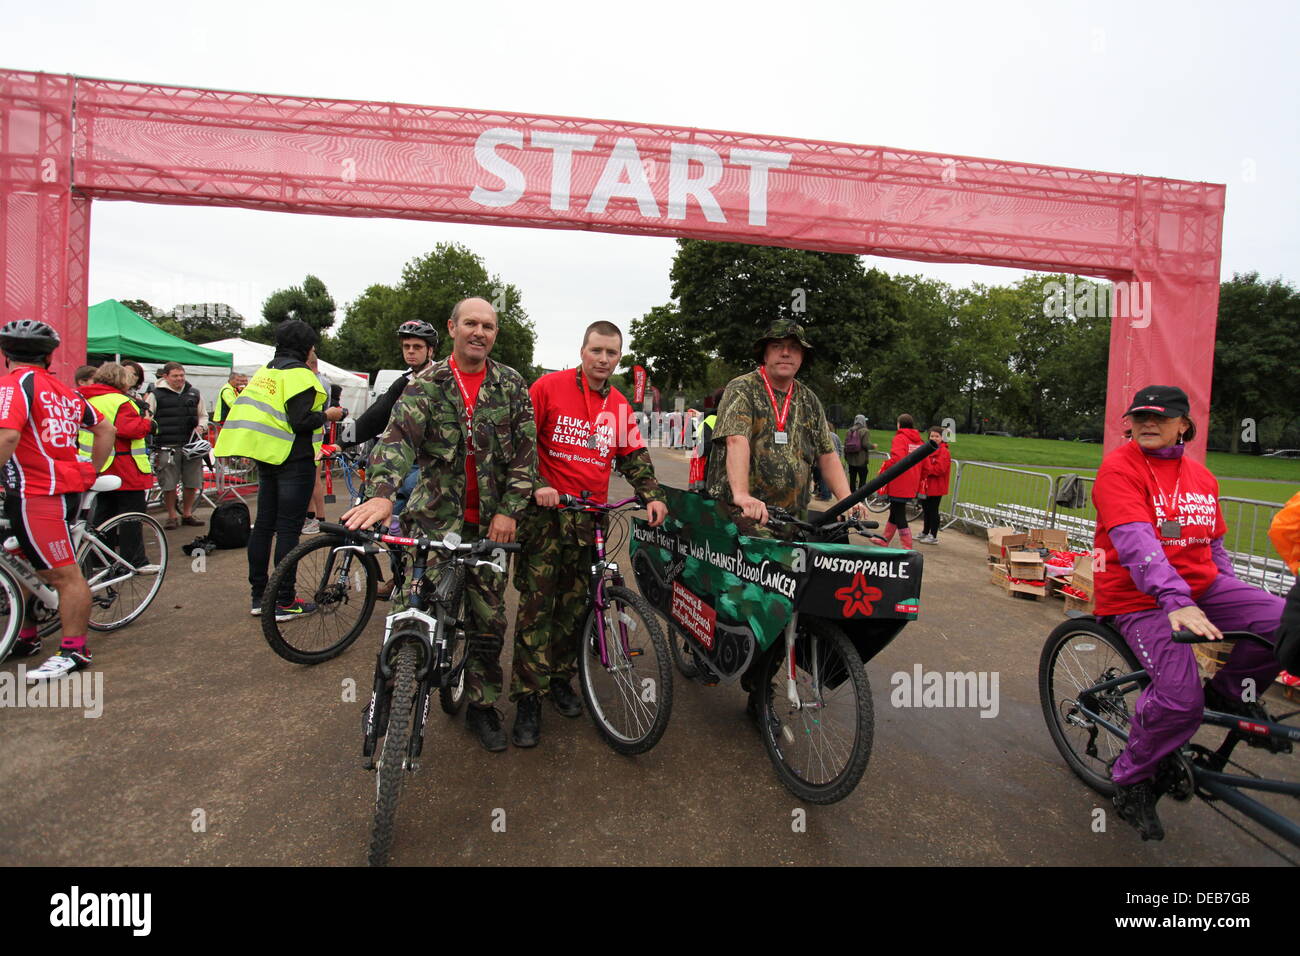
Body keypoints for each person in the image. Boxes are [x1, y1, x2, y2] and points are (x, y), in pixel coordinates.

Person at [1093, 385, 1289, 841]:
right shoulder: (1118, 469)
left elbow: (1214, 545)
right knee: (1181, 701)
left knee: (1284, 622)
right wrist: (1177, 601)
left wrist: (1227, 592)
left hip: (1200, 589)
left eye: (1159, 418)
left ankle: (1229, 694)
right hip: (1139, 597)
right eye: (1139, 416)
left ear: (1184, 424)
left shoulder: (1202, 477)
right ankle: (1130, 777)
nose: (1146, 423)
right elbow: (1137, 541)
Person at [342, 298, 538, 753]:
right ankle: (388, 696)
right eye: (471, 323)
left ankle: (481, 706)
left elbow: (527, 458)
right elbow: (396, 440)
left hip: (491, 529)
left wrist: (509, 510)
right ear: (452, 328)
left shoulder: (510, 385)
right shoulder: (427, 383)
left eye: (488, 326)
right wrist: (381, 493)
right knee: (409, 615)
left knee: (489, 622)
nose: (479, 332)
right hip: (433, 522)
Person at [510, 320, 668, 747]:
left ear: (619, 358)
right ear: (582, 350)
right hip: (545, 517)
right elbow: (520, 443)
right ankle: (528, 697)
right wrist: (538, 482)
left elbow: (632, 453)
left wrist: (651, 493)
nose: (603, 359)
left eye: (611, 353)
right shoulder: (548, 387)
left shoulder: (618, 403)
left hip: (589, 519)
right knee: (537, 607)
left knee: (575, 606)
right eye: (596, 350)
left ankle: (561, 679)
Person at [0, 319, 115, 677]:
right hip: (61, 490)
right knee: (26, 560)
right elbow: (105, 428)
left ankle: (75, 650)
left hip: (36, 493)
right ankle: (26, 632)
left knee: (64, 575)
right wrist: (92, 469)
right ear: (50, 356)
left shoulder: (13, 385)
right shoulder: (65, 391)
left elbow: (7, 438)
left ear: (5, 354)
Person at [213, 320, 346, 620]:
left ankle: (260, 597)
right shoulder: (299, 375)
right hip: (293, 458)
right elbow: (300, 420)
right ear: (306, 347)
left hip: (268, 457)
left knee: (263, 526)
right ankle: (284, 599)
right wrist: (329, 414)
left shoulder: (266, 372)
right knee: (288, 529)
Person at [705, 319, 868, 535]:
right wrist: (742, 496)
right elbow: (736, 439)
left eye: (794, 348)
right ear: (765, 355)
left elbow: (827, 455)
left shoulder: (809, 400)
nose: (785, 353)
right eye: (776, 347)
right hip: (740, 513)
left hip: (791, 517)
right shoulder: (742, 388)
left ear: (802, 357)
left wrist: (847, 500)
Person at [350, 319, 439, 535]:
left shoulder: (441, 379)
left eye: (417, 347)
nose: (410, 352)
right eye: (406, 347)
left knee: (408, 495)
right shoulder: (403, 382)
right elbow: (375, 415)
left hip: (430, 465)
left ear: (430, 351)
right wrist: (340, 441)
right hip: (403, 459)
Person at [80, 363, 158, 570]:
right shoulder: (121, 401)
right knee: (131, 517)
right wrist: (148, 423)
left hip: (95, 463)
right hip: (124, 465)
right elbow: (128, 429)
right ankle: (134, 561)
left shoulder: (86, 398)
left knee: (104, 515)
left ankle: (99, 559)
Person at [147, 361, 206, 529]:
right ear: (165, 376)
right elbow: (148, 418)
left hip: (191, 445)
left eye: (181, 375)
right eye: (175, 376)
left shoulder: (194, 393)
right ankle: (172, 515)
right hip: (167, 445)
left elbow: (202, 415)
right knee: (169, 483)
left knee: (192, 481)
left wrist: (202, 426)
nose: (179, 379)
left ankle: (187, 513)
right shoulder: (156, 395)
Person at [874, 414, 924, 548]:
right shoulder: (919, 441)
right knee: (895, 510)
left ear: (899, 424)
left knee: (899, 512)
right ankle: (884, 539)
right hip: (912, 480)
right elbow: (924, 464)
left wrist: (886, 465)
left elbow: (897, 459)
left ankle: (907, 545)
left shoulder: (899, 438)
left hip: (899, 480)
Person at [916, 425, 951, 545]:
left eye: (937, 436)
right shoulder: (928, 449)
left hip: (936, 485)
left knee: (933, 510)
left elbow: (940, 469)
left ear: (942, 438)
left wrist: (926, 469)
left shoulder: (944, 452)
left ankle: (933, 535)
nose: (934, 438)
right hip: (926, 485)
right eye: (932, 436)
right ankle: (925, 532)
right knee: (925, 509)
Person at [844, 414, 875, 489]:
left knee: (852, 478)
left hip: (851, 460)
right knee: (863, 478)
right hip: (861, 460)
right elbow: (865, 444)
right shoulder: (865, 431)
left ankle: (852, 496)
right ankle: (860, 497)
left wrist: (846, 457)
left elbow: (845, 444)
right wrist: (873, 446)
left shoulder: (849, 431)